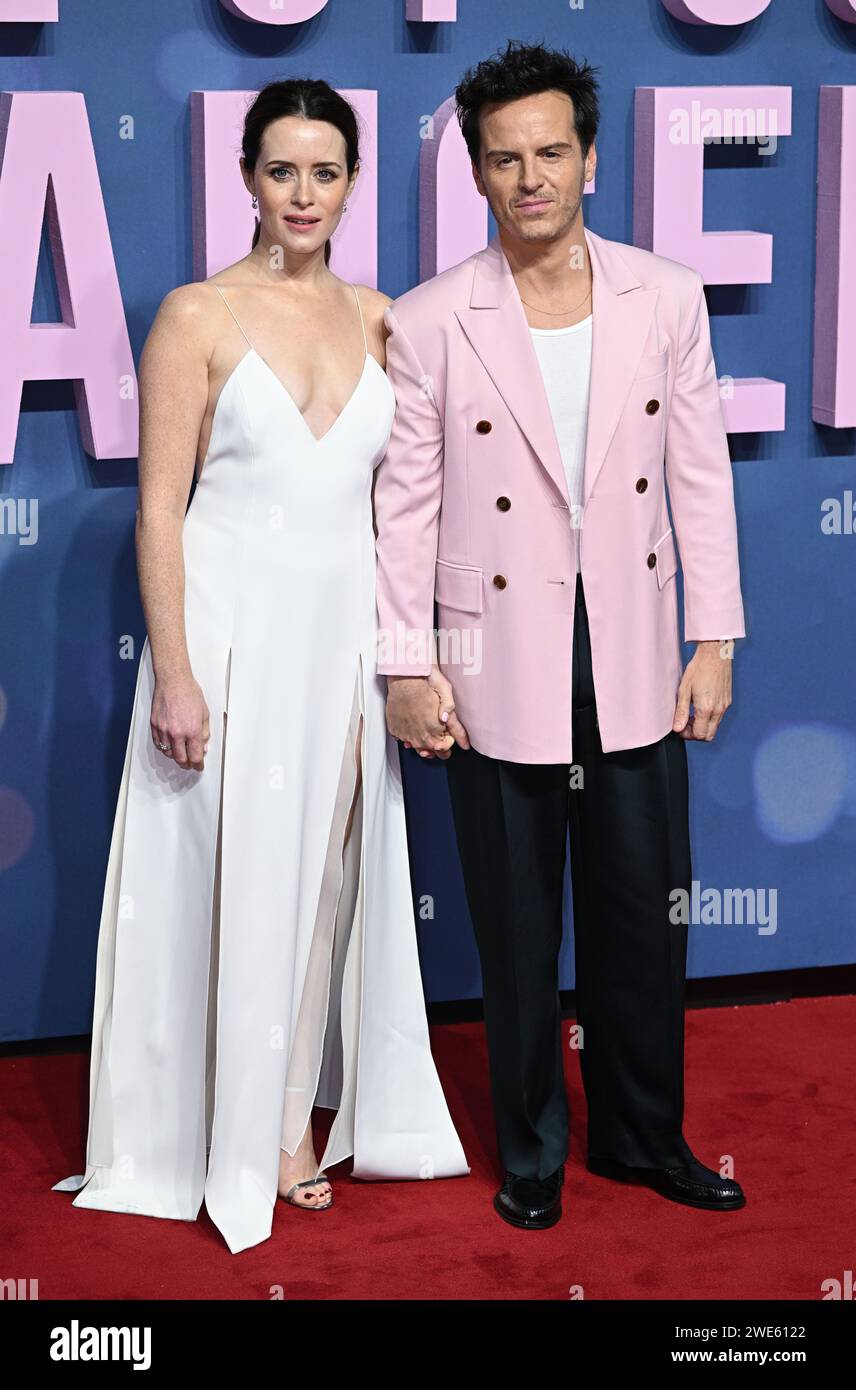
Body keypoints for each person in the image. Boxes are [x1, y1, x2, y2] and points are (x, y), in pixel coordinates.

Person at [53, 77, 469, 1255]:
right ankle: (191, 1125)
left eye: (325, 172)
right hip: (227, 631)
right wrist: (175, 672)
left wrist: (411, 661)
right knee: (211, 878)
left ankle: (287, 1125)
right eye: (281, 170)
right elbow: (160, 513)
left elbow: (410, 519)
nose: (303, 193)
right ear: (245, 177)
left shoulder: (385, 317)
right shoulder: (195, 314)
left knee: (324, 880)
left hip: (341, 635)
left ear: (351, 183)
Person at [375, 40, 747, 1230]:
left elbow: (700, 476)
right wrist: (405, 663)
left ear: (589, 158)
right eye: (503, 158)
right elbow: (406, 506)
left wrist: (716, 638)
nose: (529, 176)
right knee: (517, 929)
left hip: (635, 645)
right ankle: (532, 1147)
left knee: (644, 914)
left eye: (550, 152)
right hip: (497, 662)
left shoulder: (666, 294)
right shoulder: (433, 318)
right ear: (477, 175)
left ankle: (644, 1136)